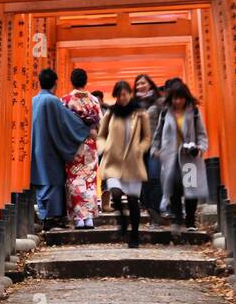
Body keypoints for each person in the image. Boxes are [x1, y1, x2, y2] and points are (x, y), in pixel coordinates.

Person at [29, 67, 92, 230]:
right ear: (55, 83)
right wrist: (85, 127)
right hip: (50, 148)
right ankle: (52, 217)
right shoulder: (52, 101)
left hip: (36, 145)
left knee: (41, 182)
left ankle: (44, 216)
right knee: (52, 181)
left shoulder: (33, 100)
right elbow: (67, 120)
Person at [96, 80, 151, 247]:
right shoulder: (110, 113)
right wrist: (104, 148)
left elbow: (147, 137)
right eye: (119, 95)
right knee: (116, 193)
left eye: (125, 94)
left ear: (130, 94)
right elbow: (101, 135)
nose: (122, 97)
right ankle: (121, 218)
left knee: (134, 201)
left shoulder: (140, 113)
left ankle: (134, 235)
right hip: (114, 160)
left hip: (133, 162)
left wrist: (140, 149)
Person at [155, 80, 209, 231]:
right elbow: (158, 133)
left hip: (188, 155)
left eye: (180, 98)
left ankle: (190, 219)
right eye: (174, 98)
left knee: (190, 186)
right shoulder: (166, 112)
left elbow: (201, 134)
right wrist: (156, 148)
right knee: (174, 186)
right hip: (170, 155)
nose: (177, 101)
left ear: (186, 97)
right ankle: (178, 217)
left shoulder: (194, 112)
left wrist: (201, 148)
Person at [60, 68, 103, 229]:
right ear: (86, 81)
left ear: (72, 81)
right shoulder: (93, 100)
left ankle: (79, 218)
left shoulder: (65, 100)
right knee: (89, 181)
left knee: (74, 180)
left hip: (73, 145)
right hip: (90, 144)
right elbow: (100, 123)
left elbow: (62, 124)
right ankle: (89, 218)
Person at [134, 73, 166, 225]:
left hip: (155, 145)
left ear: (150, 84)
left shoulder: (159, 102)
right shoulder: (132, 104)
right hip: (138, 147)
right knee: (142, 180)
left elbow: (166, 123)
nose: (140, 86)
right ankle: (149, 208)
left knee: (154, 177)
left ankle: (156, 211)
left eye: (143, 83)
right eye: (138, 84)